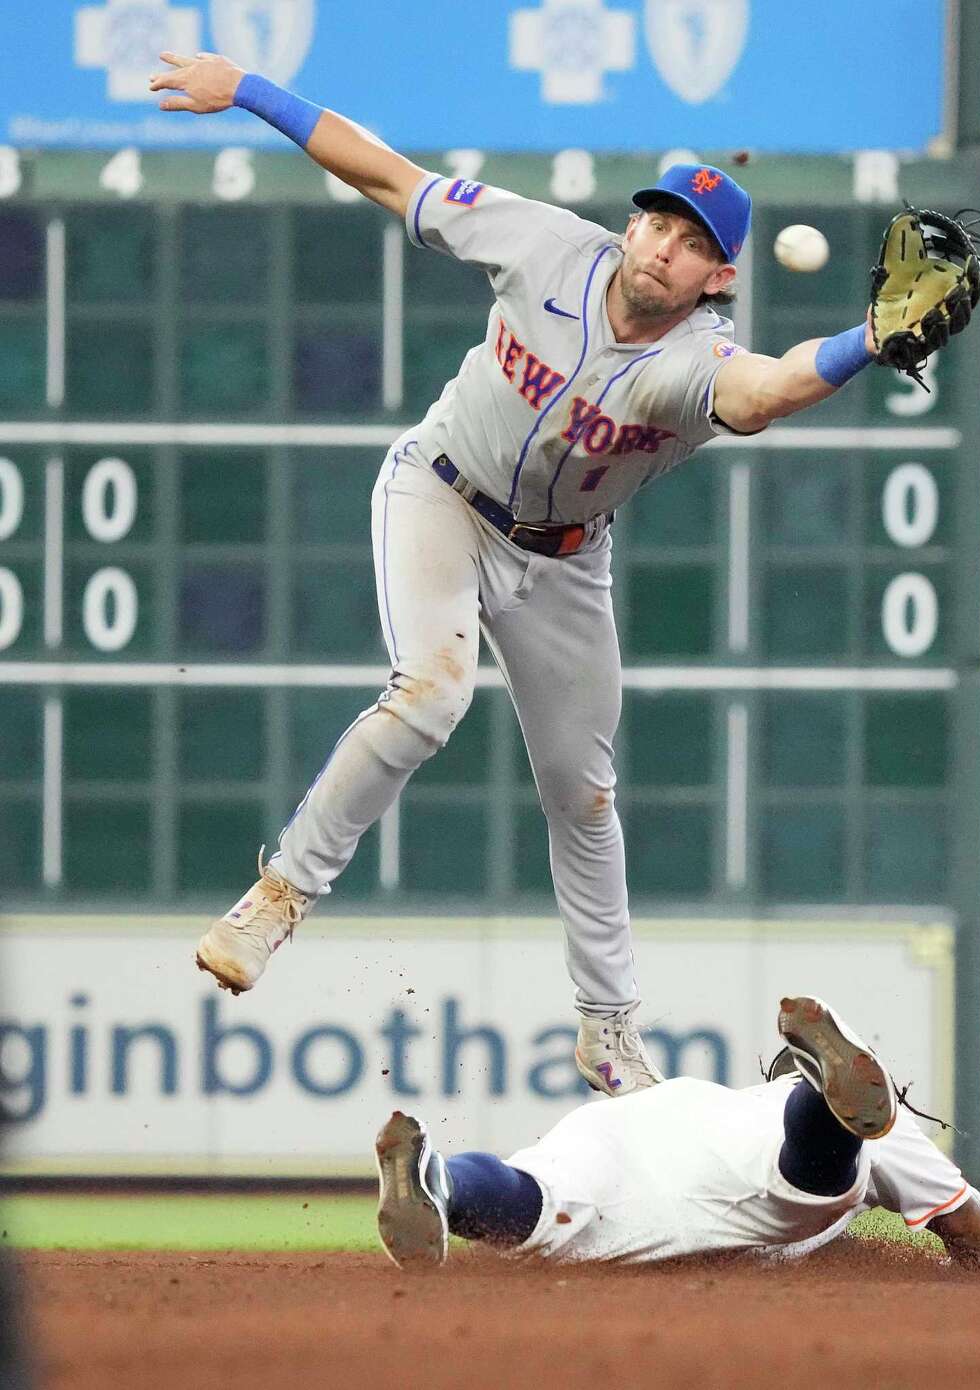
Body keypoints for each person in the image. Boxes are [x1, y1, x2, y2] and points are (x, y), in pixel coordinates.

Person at [150, 52, 898, 1098]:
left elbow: (768, 390)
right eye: (658, 222)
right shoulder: (548, 243)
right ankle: (279, 896)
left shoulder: (693, 361)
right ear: (632, 224)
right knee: (430, 693)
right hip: (441, 495)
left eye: (692, 245)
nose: (664, 247)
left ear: (717, 278)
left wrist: (869, 339)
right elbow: (388, 177)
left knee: (585, 795)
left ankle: (608, 1028)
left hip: (562, 563)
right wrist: (253, 93)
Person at [372, 995, 980, 1268]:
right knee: (811, 1181)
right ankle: (824, 1111)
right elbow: (973, 1230)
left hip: (641, 1123)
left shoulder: (739, 1098)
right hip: (732, 1170)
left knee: (538, 1198)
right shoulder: (883, 1128)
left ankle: (439, 1178)